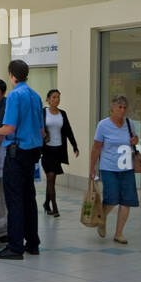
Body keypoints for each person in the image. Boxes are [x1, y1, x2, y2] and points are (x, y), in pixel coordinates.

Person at [0, 60, 43, 260]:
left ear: (11, 75)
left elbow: (9, 128)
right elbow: (41, 130)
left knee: (15, 199)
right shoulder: (35, 96)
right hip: (32, 152)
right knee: (29, 197)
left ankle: (15, 246)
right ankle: (33, 243)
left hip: (16, 152)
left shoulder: (15, 96)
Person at [89, 94, 140, 244]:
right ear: (112, 108)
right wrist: (92, 168)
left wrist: (135, 140)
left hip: (127, 168)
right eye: (119, 107)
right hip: (109, 167)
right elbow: (96, 147)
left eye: (124, 107)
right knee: (111, 198)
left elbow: (135, 139)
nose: (122, 110)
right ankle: (102, 219)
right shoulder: (103, 125)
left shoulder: (130, 124)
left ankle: (119, 233)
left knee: (126, 201)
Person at [40, 89, 79, 217]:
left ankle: (46, 203)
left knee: (52, 180)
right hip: (47, 150)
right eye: (54, 97)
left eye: (58, 97)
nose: (56, 99)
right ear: (48, 99)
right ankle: (55, 206)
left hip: (58, 150)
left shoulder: (62, 113)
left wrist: (74, 146)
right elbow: (37, 127)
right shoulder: (43, 112)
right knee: (50, 177)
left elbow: (68, 130)